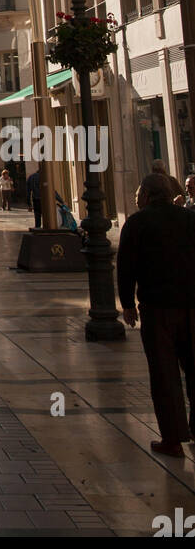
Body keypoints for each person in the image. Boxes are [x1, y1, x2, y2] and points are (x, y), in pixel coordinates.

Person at [117, 172, 195, 458]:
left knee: (164, 374)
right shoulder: (189, 219)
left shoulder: (137, 223)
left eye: (138, 194)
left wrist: (126, 303)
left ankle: (172, 439)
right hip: (191, 305)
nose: (136, 198)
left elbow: (126, 266)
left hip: (158, 308)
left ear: (147, 196)